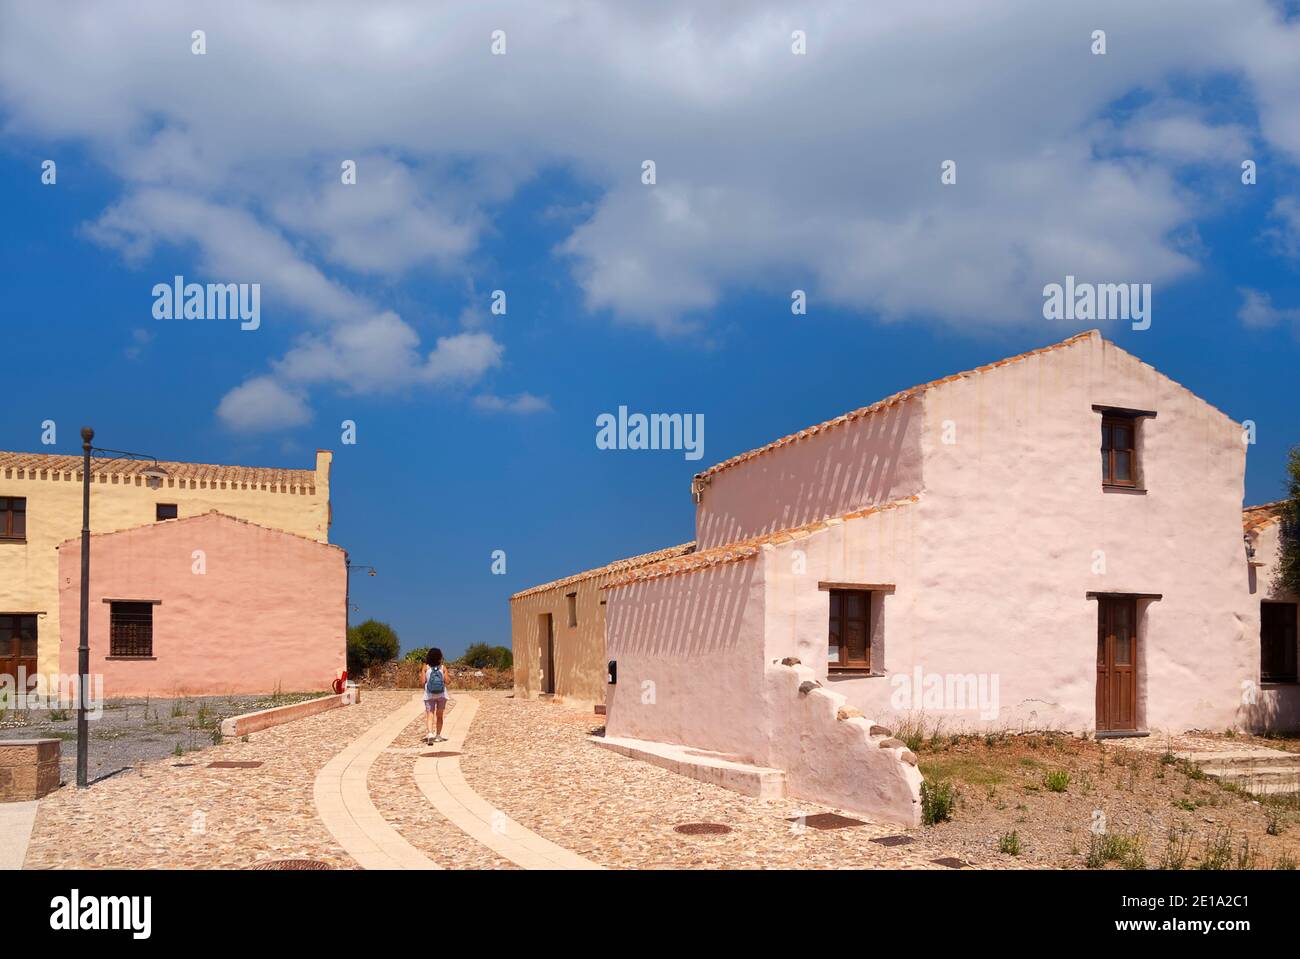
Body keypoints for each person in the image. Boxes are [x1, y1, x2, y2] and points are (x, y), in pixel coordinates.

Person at [420, 648, 450, 744]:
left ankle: (430, 733)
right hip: (442, 694)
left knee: (430, 714)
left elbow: (422, 682)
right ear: (439, 657)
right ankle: (438, 735)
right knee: (440, 715)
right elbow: (447, 682)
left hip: (429, 695)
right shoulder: (443, 668)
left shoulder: (425, 667)